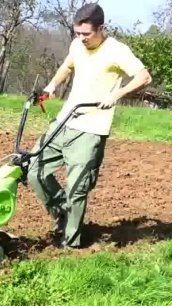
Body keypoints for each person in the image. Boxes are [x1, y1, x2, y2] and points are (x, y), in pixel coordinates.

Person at [28, 3, 152, 248]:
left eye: (86, 34)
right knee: (34, 169)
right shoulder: (77, 45)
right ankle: (64, 214)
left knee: (77, 187)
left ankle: (70, 243)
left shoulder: (117, 50)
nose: (81, 38)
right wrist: (51, 87)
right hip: (64, 120)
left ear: (101, 28)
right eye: (77, 33)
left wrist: (116, 95)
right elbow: (68, 65)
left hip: (92, 128)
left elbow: (144, 77)